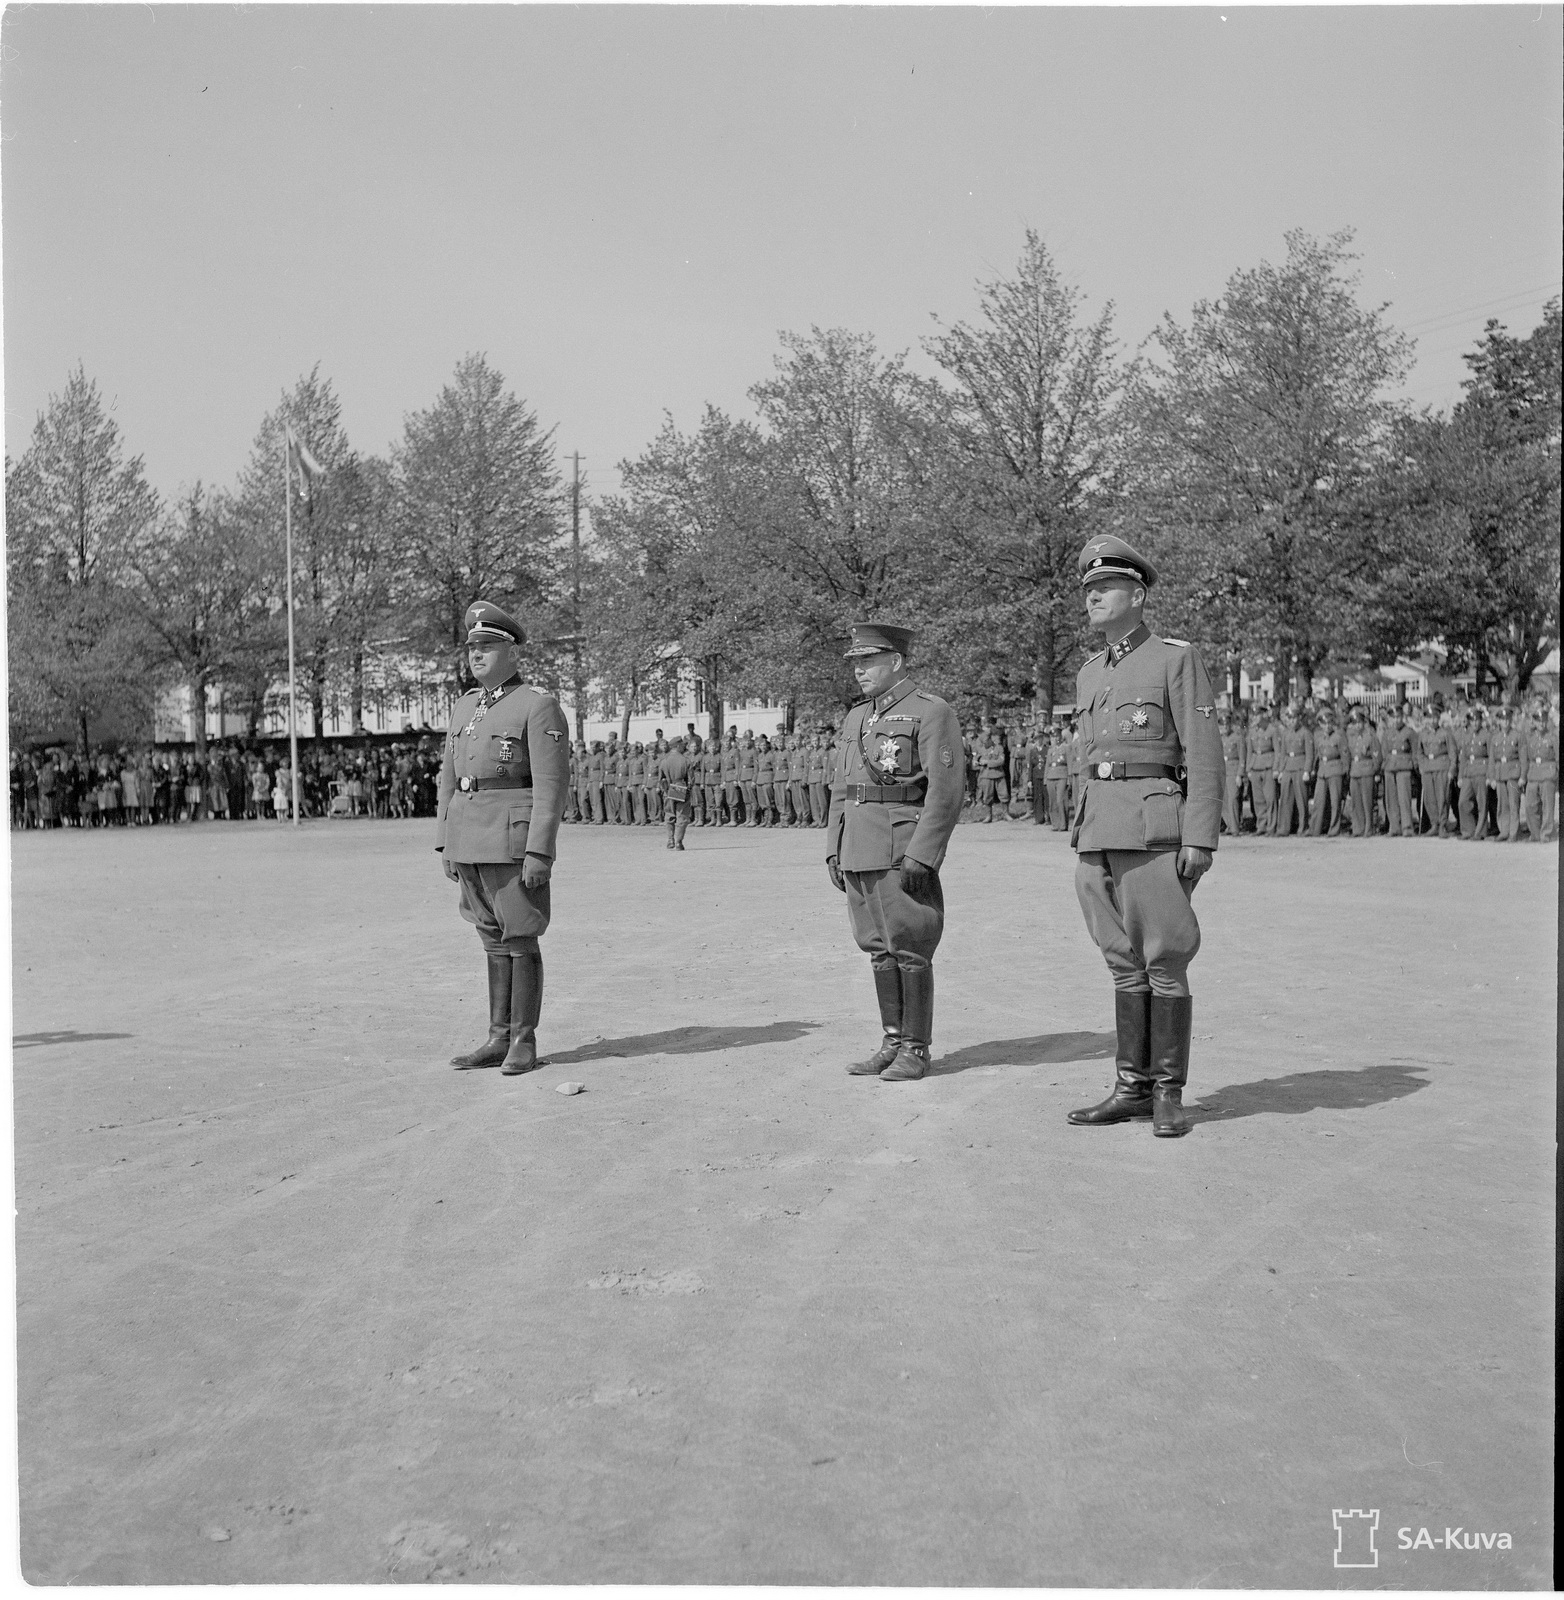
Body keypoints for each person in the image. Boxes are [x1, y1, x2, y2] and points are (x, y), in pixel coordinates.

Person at [1064, 535, 1222, 1139]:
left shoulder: (1173, 659)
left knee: (1164, 958)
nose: (1093, 597)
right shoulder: (1088, 673)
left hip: (1154, 828)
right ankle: (1130, 1085)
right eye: (1088, 589)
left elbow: (1204, 756)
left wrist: (1200, 836)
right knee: (1120, 961)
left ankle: (1167, 1092)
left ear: (1138, 593)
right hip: (1097, 827)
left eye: (1105, 587)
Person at [827, 622, 964, 1083]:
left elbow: (945, 792)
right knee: (877, 949)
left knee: (910, 947)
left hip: (899, 847)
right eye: (856, 663)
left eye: (867, 661)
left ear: (896, 661)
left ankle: (916, 1049)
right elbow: (841, 789)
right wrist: (834, 847)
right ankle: (892, 1041)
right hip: (858, 849)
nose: (859, 671)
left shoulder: (930, 712)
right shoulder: (855, 718)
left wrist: (923, 853)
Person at [438, 600, 570, 1076]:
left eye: (489, 647)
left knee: (520, 939)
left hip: (511, 841)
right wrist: (445, 841)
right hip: (468, 838)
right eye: (472, 647)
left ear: (512, 653)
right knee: (490, 939)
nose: (477, 655)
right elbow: (448, 777)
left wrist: (540, 849)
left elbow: (551, 787)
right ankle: (496, 1036)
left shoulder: (537, 706)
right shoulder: (464, 706)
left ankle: (522, 1040)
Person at [1309, 705, 1350, 837]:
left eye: (1329, 723)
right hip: (1322, 771)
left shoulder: (1339, 736)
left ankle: (1334, 829)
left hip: (1335, 770)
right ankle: (1315, 829)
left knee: (1335, 802)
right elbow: (1317, 755)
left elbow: (1345, 756)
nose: (1327, 726)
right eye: (1324, 723)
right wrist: (1313, 770)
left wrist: (1345, 773)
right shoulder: (1318, 736)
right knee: (1318, 801)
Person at [1273, 705, 1313, 837]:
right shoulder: (1285, 733)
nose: (1291, 722)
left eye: (1294, 718)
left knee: (1301, 800)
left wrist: (1307, 770)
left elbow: (1309, 754)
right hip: (1288, 768)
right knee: (1285, 799)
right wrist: (1281, 770)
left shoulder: (1305, 732)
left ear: (1299, 718)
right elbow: (1283, 753)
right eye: (1289, 719)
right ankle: (1283, 828)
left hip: (1300, 768)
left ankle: (1303, 828)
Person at [1380, 704, 1419, 837]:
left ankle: (1407, 827)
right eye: (1393, 717)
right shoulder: (1387, 733)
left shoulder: (1409, 732)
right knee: (1391, 799)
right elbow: (1384, 752)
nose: (1396, 720)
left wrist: (1415, 766)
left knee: (1404, 798)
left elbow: (1415, 751)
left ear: (1403, 717)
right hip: (1390, 767)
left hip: (1404, 767)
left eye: (1399, 717)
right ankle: (1394, 827)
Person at [1417, 704, 1455, 838]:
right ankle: (1434, 824)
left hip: (1442, 767)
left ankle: (1443, 825)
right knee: (1429, 798)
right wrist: (1421, 766)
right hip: (1428, 768)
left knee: (1442, 797)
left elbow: (1452, 753)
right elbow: (1419, 753)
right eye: (1429, 718)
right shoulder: (1422, 734)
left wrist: (1452, 769)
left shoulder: (1445, 733)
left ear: (1438, 718)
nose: (1432, 721)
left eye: (1435, 718)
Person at [1521, 705, 1557, 842]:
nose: (1541, 724)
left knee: (1548, 806)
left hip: (1548, 774)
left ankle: (1546, 834)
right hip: (1533, 774)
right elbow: (1526, 757)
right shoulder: (1530, 737)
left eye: (1544, 721)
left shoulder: (1552, 737)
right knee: (1530, 805)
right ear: (1534, 722)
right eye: (1538, 721)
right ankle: (1535, 833)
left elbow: (1559, 758)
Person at [1346, 706, 1381, 837]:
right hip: (1355, 771)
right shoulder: (1351, 737)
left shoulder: (1370, 736)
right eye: (1354, 723)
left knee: (1367, 802)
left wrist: (1375, 771)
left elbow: (1377, 756)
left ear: (1364, 722)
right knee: (1356, 802)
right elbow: (1348, 754)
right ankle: (1358, 828)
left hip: (1367, 771)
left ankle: (1369, 827)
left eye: (1359, 722)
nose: (1357, 726)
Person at [1245, 705, 1280, 835]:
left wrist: (1276, 768)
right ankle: (1261, 826)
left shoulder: (1272, 730)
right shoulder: (1252, 731)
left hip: (1268, 766)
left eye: (1256, 715)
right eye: (1253, 715)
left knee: (1270, 798)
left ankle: (1271, 826)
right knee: (1258, 799)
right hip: (1255, 766)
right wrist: (1248, 768)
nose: (1254, 718)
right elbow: (1249, 751)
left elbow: (1278, 751)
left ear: (1263, 715)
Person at [659, 736, 696, 850]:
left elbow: (661, 779)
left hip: (668, 789)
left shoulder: (664, 760)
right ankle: (679, 841)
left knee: (669, 814)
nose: (684, 746)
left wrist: (665, 790)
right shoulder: (685, 760)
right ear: (678, 746)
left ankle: (670, 839)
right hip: (681, 788)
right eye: (682, 745)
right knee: (682, 815)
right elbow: (691, 779)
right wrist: (688, 790)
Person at [1218, 709, 1246, 836]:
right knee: (1223, 801)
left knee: (1233, 799)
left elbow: (1242, 757)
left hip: (1233, 771)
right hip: (1223, 770)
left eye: (1227, 725)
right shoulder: (1219, 738)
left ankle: (1235, 828)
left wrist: (1240, 774)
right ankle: (1229, 825)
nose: (1225, 727)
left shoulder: (1237, 737)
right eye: (1222, 725)